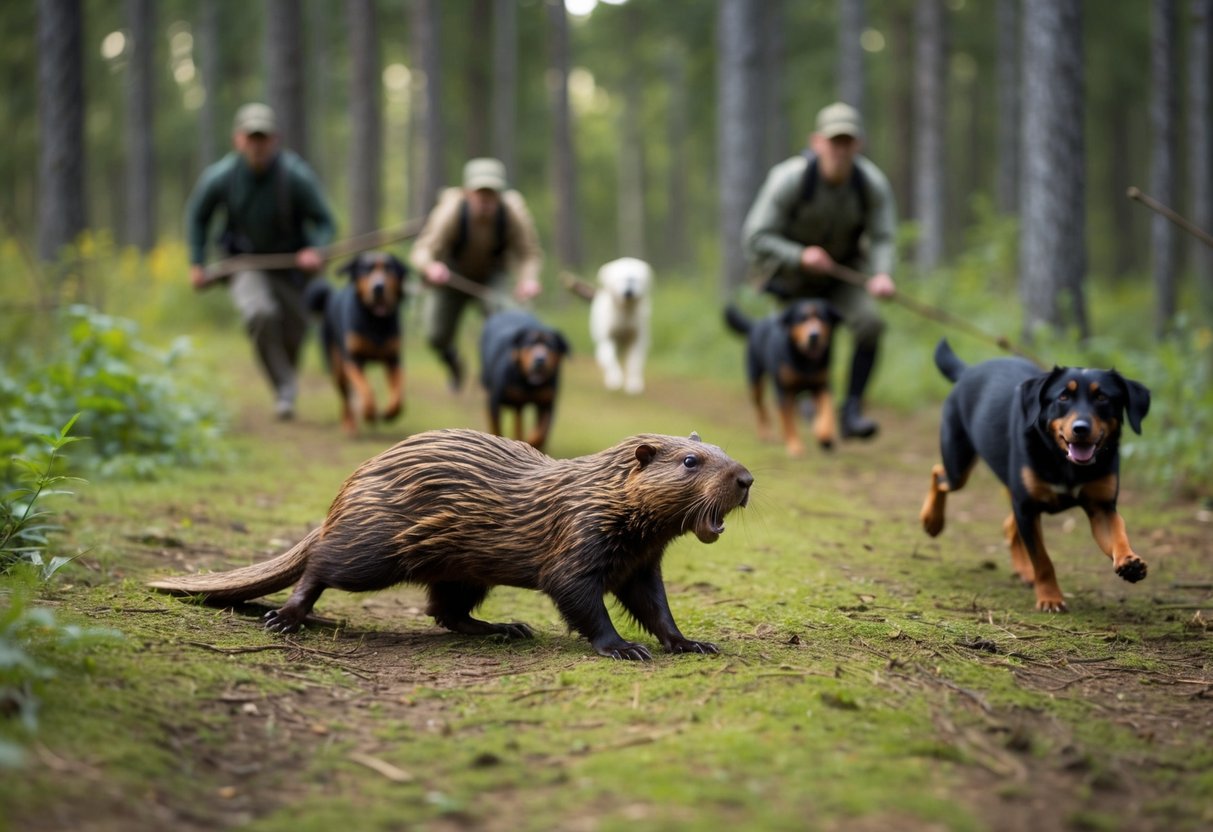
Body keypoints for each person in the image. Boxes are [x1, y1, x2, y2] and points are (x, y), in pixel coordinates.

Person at [742, 101, 897, 439]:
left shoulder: (871, 184)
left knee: (870, 324)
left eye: (847, 142)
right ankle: (805, 400)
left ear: (858, 145)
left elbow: (882, 236)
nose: (840, 149)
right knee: (793, 335)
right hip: (793, 278)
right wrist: (800, 255)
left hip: (842, 274)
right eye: (833, 141)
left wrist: (883, 273)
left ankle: (852, 411)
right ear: (817, 142)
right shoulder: (789, 179)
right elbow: (755, 236)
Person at [185, 102, 336, 420]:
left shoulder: (295, 176)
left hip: (291, 267)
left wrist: (316, 249)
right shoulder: (222, 177)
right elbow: (197, 216)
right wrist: (197, 262)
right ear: (238, 140)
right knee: (260, 313)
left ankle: (285, 379)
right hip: (244, 264)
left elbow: (325, 221)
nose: (257, 145)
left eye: (263, 138)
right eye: (251, 137)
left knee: (295, 330)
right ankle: (285, 390)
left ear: (275, 139)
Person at [409, 157, 543, 390]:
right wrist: (431, 267)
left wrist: (528, 280)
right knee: (436, 335)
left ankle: (497, 375)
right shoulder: (451, 210)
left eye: (492, 194)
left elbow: (529, 253)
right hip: (452, 278)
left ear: (500, 194)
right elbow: (422, 250)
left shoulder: (513, 213)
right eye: (481, 193)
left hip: (492, 278)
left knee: (509, 325)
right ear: (467, 192)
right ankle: (453, 362)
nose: (486, 200)